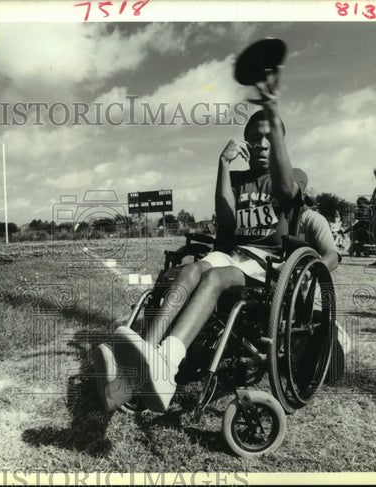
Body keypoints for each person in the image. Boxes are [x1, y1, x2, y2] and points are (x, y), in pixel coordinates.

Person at [94, 80, 309, 413]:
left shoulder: (293, 176)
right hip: (233, 255)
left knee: (215, 278)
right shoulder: (239, 180)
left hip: (266, 263)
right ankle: (142, 361)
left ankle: (168, 359)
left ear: (281, 143)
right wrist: (223, 165)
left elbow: (285, 187)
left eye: (270, 137)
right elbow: (226, 220)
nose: (261, 143)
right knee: (194, 268)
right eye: (255, 137)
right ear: (247, 143)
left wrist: (271, 114)